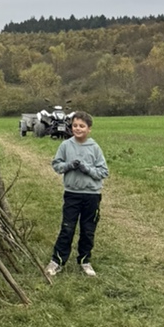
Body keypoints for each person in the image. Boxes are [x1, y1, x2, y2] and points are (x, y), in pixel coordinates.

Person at [45, 112, 108, 278]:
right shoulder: (66, 146)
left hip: (91, 195)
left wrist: (87, 169)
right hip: (72, 194)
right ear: (70, 127)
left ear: (89, 129)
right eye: (75, 126)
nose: (78, 129)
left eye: (82, 126)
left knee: (88, 230)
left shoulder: (94, 148)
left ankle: (85, 261)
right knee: (67, 228)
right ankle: (57, 261)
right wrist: (69, 166)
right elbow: (57, 165)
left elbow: (103, 171)